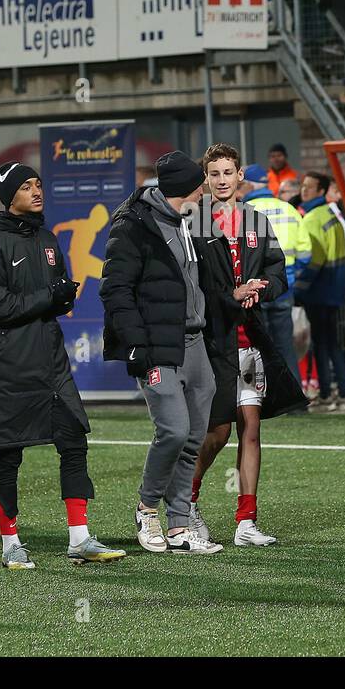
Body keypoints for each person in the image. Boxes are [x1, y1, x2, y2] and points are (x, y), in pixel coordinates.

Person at [0, 163, 126, 569]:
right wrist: (48, 297)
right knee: (9, 454)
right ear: (9, 196)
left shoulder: (47, 237)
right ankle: (10, 545)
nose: (37, 191)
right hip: (8, 366)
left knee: (73, 441)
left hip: (51, 362)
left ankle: (80, 538)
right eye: (26, 186)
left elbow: (56, 296)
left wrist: (64, 296)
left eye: (38, 183)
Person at [101, 151, 222, 555]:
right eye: (201, 183)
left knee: (192, 438)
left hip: (196, 343)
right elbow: (115, 290)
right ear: (188, 188)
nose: (206, 188)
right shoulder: (134, 225)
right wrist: (136, 344)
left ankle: (179, 525)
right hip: (158, 344)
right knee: (171, 431)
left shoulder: (190, 222)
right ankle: (146, 507)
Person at [188, 145, 306, 549]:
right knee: (217, 432)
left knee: (251, 428)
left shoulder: (256, 219)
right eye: (214, 173)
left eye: (228, 172)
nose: (221, 179)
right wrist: (229, 294)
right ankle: (186, 503)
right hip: (210, 342)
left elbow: (278, 271)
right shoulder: (194, 222)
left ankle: (246, 521)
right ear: (206, 178)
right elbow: (193, 287)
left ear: (240, 177)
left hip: (249, 341)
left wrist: (263, 288)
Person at [295, 170, 345, 411]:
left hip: (319, 290)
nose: (303, 190)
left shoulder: (311, 218)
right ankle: (343, 391)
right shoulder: (330, 214)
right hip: (336, 288)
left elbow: (314, 259)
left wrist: (299, 288)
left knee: (321, 343)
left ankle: (327, 393)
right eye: (303, 185)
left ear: (321, 191)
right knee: (334, 343)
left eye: (309, 187)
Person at [241, 163, 304, 381]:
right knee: (285, 345)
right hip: (284, 285)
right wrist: (292, 274)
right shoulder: (288, 208)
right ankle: (294, 396)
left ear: (248, 185)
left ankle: (264, 396)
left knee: (258, 345)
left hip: (255, 287)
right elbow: (305, 251)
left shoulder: (244, 211)